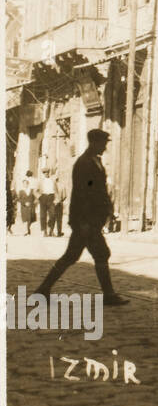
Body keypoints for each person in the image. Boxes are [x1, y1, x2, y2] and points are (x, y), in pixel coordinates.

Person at [33, 130, 128, 306]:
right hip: (86, 221)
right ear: (94, 142)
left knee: (72, 256)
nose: (105, 146)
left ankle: (43, 289)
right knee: (100, 254)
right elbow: (83, 194)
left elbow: (99, 190)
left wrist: (107, 209)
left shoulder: (95, 161)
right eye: (103, 142)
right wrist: (84, 222)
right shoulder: (84, 163)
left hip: (90, 221)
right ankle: (108, 295)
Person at [38, 170, 55, 236]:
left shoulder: (52, 180)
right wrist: (39, 197)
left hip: (51, 197)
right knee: (43, 215)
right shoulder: (40, 181)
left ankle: (51, 230)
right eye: (45, 173)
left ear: (49, 173)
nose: (46, 174)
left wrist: (57, 198)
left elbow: (56, 190)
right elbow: (35, 191)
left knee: (52, 215)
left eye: (47, 173)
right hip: (43, 197)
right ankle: (44, 231)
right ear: (43, 174)